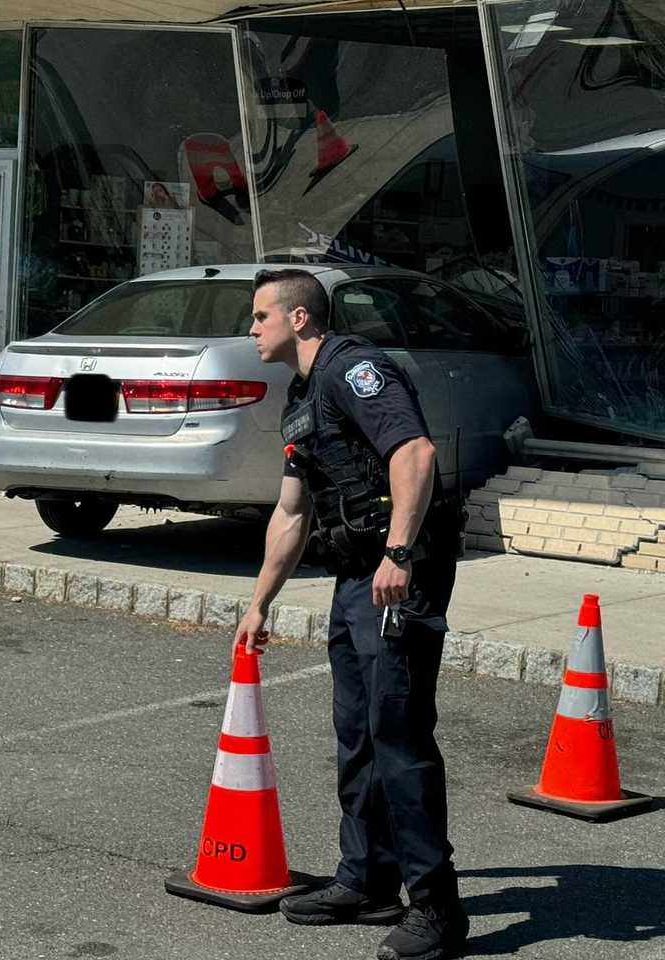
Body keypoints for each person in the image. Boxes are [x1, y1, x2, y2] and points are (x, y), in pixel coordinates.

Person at [233, 269, 468, 960]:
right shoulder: (303, 398)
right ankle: (367, 880)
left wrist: (399, 551)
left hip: (401, 573)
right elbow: (291, 512)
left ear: (299, 318)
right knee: (357, 735)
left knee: (398, 736)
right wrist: (258, 603)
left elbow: (415, 453)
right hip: (357, 576)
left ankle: (437, 909)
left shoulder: (354, 369)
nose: (251, 330)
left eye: (259, 317)